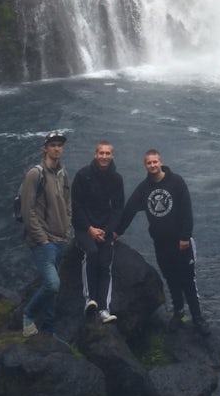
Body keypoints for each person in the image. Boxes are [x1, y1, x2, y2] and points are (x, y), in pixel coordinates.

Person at [116, 149, 211, 335]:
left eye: (155, 162)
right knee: (171, 279)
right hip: (161, 244)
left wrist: (185, 237)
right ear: (145, 165)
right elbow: (130, 209)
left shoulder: (176, 182)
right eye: (149, 163)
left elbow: (186, 211)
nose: (152, 166)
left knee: (188, 281)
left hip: (180, 243)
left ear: (161, 162)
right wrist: (118, 231)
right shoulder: (144, 188)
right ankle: (178, 312)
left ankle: (198, 317)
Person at [21, 130, 72, 337]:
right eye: (52, 145)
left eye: (60, 145)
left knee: (52, 289)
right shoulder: (35, 174)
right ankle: (28, 315)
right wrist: (41, 238)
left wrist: (67, 229)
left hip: (61, 239)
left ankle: (49, 330)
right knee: (52, 284)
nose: (57, 148)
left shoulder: (63, 173)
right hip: (43, 241)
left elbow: (68, 202)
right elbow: (27, 209)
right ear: (45, 148)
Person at [71, 140, 124, 323]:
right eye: (101, 153)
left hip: (104, 228)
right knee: (91, 253)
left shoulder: (116, 179)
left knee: (105, 265)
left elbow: (118, 208)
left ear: (112, 156)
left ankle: (104, 309)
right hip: (84, 227)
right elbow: (76, 206)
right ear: (95, 155)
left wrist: (108, 230)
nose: (104, 156)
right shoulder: (83, 175)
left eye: (107, 153)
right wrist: (89, 229)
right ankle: (89, 299)